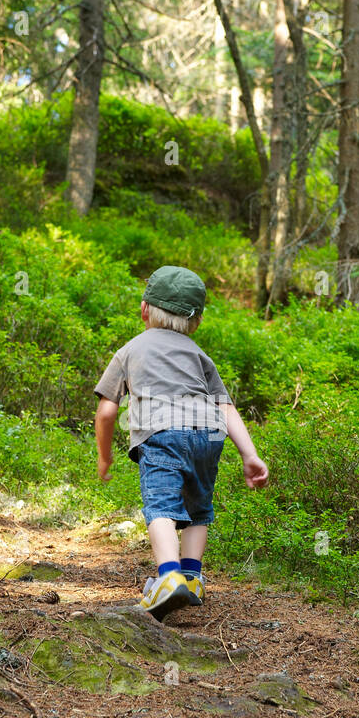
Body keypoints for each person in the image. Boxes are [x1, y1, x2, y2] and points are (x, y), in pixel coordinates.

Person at [94, 264, 269, 619]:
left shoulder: (130, 350)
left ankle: (168, 576)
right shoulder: (199, 355)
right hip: (209, 435)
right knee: (198, 509)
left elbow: (108, 411)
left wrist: (105, 456)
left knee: (160, 507)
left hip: (162, 435)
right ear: (197, 321)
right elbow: (225, 406)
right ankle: (192, 577)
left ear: (144, 309)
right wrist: (249, 455)